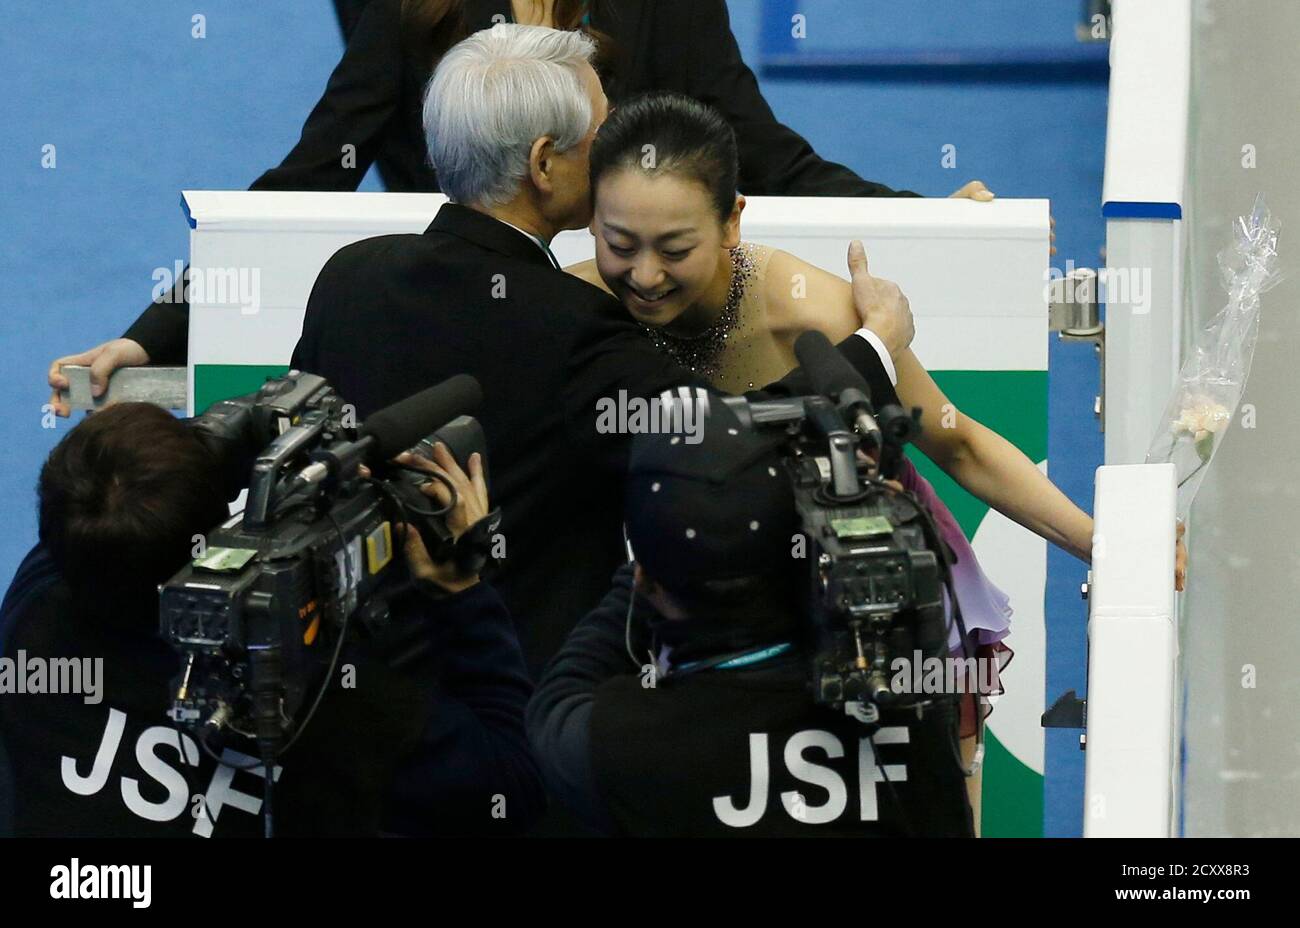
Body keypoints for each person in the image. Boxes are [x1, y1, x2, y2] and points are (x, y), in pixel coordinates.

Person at [566, 91, 1187, 829]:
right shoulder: (573, 307)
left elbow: (956, 440)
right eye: (618, 243)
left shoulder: (812, 312)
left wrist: (1102, 545)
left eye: (674, 250)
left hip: (865, 596)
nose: (642, 275)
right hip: (695, 614)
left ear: (733, 219)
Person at [288, 24, 916, 678]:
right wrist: (875, 348)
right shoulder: (574, 324)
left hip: (347, 687)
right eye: (602, 133)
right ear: (543, 163)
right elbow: (738, 448)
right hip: (515, 701)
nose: (620, 149)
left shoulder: (348, 276)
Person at [46, 0, 993, 414]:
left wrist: (936, 219)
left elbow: (757, 146)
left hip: (595, 310)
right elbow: (312, 170)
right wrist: (152, 334)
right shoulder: (417, 6)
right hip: (477, 309)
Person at [0, 402, 543, 837]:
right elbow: (513, 785)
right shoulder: (332, 702)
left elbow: (98, 508)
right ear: (215, 543)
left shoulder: (33, 617)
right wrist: (461, 593)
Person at [526, 398, 975, 836]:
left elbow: (557, 698)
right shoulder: (902, 700)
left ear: (646, 577)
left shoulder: (620, 744)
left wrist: (665, 537)